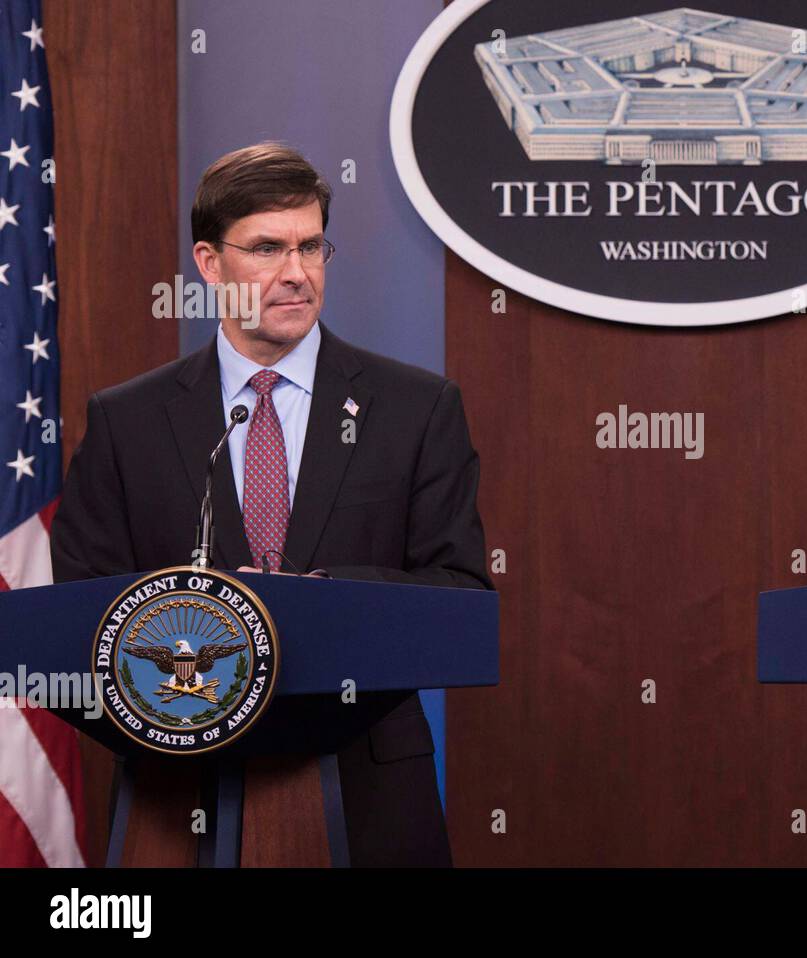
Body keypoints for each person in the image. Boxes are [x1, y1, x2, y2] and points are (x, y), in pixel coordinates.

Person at [51, 142, 490, 866]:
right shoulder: (127, 421)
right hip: (178, 793)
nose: (296, 274)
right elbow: (78, 617)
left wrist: (312, 602)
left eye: (311, 246)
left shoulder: (417, 408)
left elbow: (462, 597)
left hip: (368, 792)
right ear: (208, 263)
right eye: (266, 248)